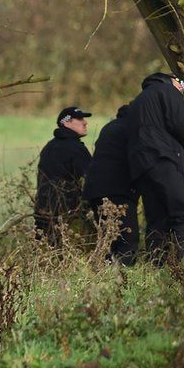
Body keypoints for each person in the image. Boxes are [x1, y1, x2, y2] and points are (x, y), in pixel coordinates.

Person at [127, 73, 184, 262]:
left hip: (140, 168)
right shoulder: (167, 90)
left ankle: (156, 265)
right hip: (162, 159)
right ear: (171, 80)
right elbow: (179, 122)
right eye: (180, 84)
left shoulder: (138, 102)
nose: (182, 88)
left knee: (157, 220)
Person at [83, 105, 139, 264]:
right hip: (118, 192)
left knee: (110, 240)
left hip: (95, 192)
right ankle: (123, 282)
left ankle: (107, 278)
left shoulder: (110, 128)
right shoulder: (132, 130)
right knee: (127, 241)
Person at [34, 107, 92, 246]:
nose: (85, 123)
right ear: (66, 123)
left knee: (46, 247)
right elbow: (91, 179)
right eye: (80, 119)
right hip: (68, 211)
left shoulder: (49, 147)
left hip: (43, 206)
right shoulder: (76, 149)